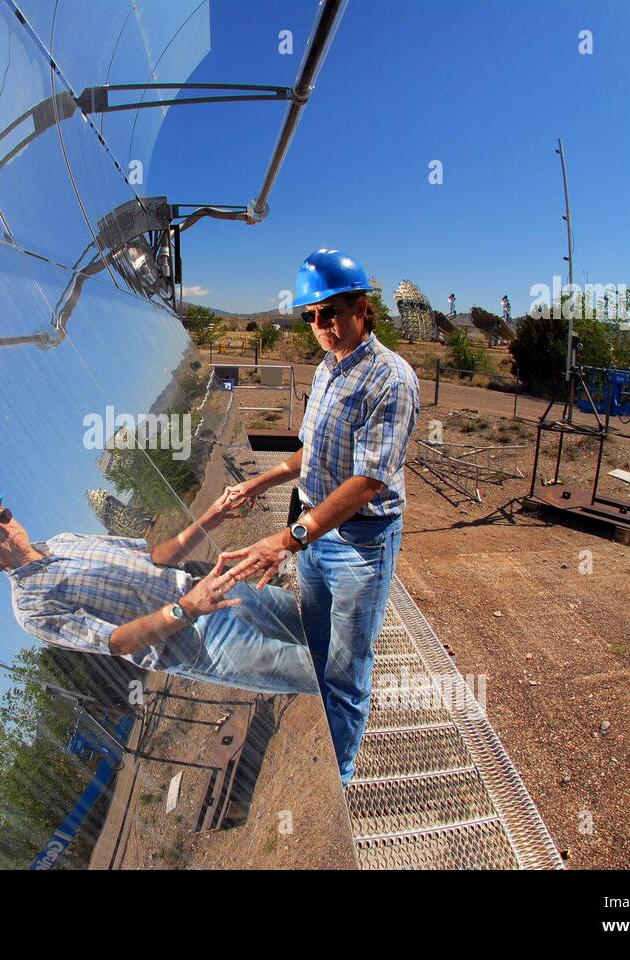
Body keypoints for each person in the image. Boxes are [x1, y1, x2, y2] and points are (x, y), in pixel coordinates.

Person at [221, 249, 419, 785]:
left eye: (329, 312)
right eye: (310, 316)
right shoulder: (327, 370)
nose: (320, 326)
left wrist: (287, 540)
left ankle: (341, 778)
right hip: (315, 538)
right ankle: (325, 751)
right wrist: (258, 482)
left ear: (361, 307)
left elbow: (367, 482)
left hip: (360, 543)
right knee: (315, 648)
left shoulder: (391, 379)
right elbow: (310, 451)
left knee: (346, 670)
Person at [0, 486, 318, 696]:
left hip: (212, 591)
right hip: (199, 643)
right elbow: (117, 642)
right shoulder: (30, 608)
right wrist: (187, 609)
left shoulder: (64, 540)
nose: (5, 530)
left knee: (318, 625)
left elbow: (153, 557)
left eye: (2, 517)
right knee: (319, 672)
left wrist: (210, 518)